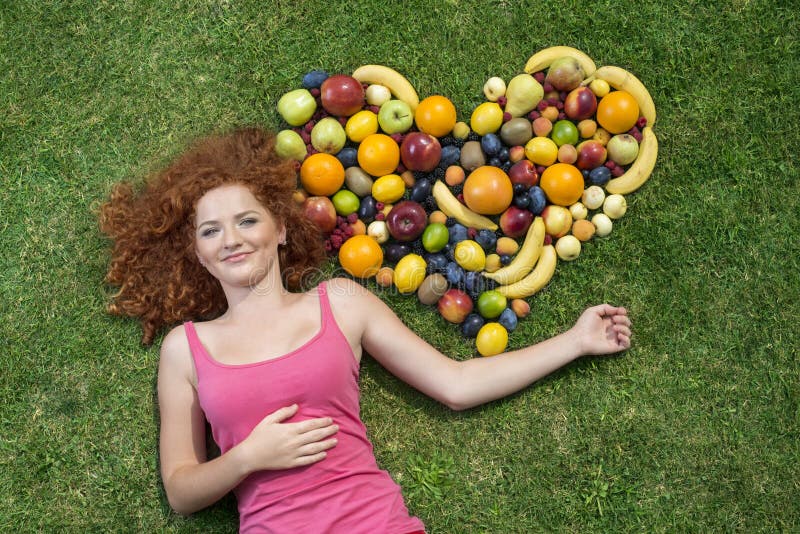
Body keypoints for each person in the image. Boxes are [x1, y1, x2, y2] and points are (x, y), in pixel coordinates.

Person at [99, 127, 631, 533]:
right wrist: (247, 458)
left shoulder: (342, 303)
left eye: (247, 220)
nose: (231, 239)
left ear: (280, 228)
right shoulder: (186, 350)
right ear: (198, 253)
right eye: (210, 231)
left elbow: (456, 385)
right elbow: (181, 492)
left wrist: (575, 341)